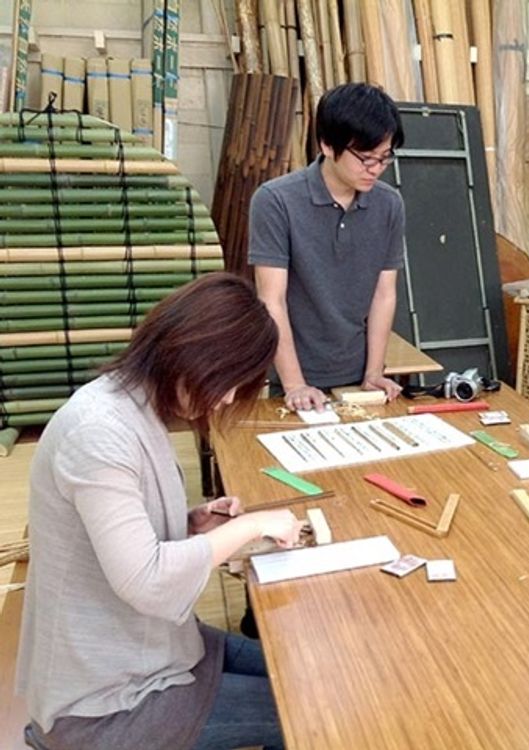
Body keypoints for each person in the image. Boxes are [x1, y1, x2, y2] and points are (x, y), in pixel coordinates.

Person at [17, 273, 305, 750]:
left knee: (300, 666)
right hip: (105, 703)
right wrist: (251, 526)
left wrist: (193, 522)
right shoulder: (99, 433)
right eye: (229, 381)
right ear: (195, 355)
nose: (230, 397)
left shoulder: (131, 403)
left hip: (153, 650)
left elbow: (122, 533)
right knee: (306, 708)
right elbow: (146, 580)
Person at [250, 82, 406, 412]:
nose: (375, 169)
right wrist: (295, 384)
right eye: (365, 158)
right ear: (327, 144)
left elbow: (384, 294)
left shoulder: (389, 204)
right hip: (292, 376)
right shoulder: (276, 201)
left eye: (384, 158)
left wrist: (374, 372)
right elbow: (271, 299)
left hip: (357, 375)